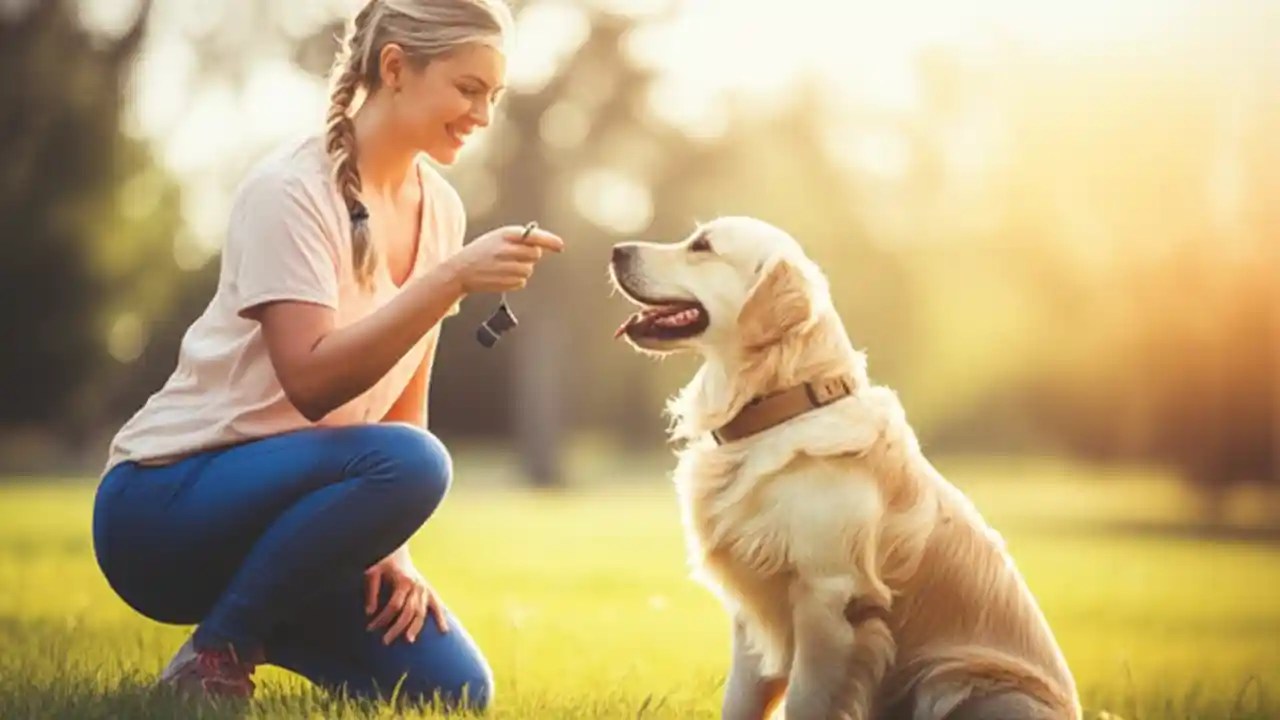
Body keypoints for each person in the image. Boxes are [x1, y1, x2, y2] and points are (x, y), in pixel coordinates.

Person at [91, 0, 563, 710]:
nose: (483, 115)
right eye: (469, 90)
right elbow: (310, 382)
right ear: (396, 67)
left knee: (452, 690)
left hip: (289, 517)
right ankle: (215, 656)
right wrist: (452, 278)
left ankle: (257, 611)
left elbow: (405, 397)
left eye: (493, 96)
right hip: (162, 510)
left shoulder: (442, 210)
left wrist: (389, 543)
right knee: (418, 460)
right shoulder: (290, 191)